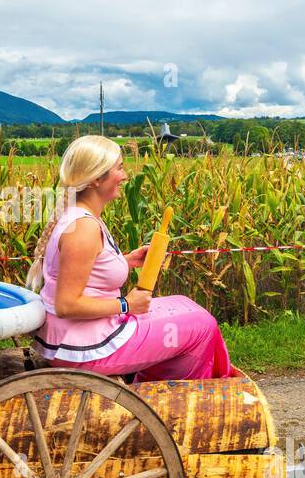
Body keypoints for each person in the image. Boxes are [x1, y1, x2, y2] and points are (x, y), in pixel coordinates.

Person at [25, 135, 241, 382]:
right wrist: (126, 305)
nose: (125, 176)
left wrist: (125, 261)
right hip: (85, 347)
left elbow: (81, 270)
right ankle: (166, 397)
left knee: (184, 303)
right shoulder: (83, 229)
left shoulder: (77, 215)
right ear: (96, 178)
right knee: (203, 325)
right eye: (119, 168)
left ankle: (155, 383)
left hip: (74, 336)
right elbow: (66, 305)